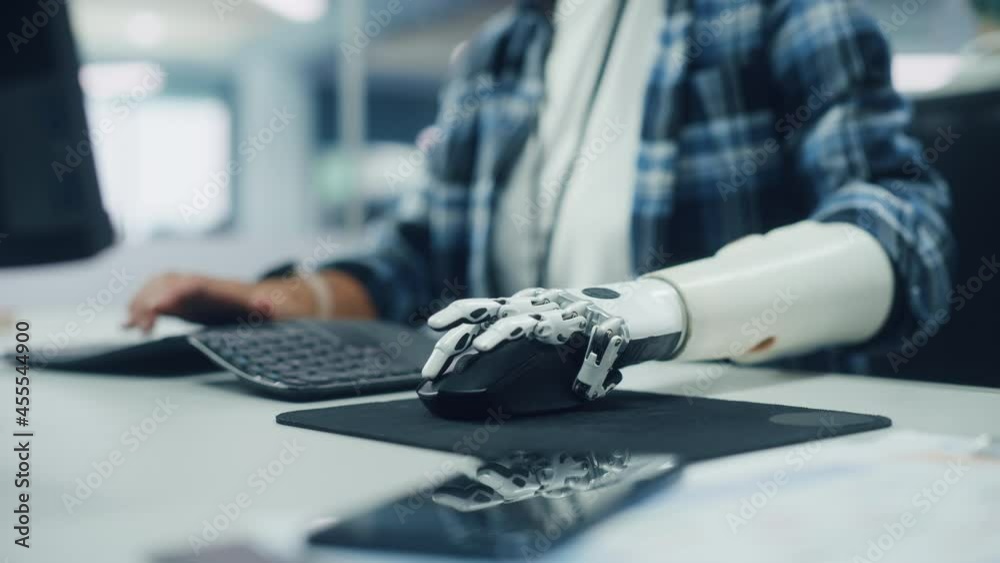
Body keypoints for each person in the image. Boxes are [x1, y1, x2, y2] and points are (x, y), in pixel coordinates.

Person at [129, 0, 954, 399]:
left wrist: (641, 314)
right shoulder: (501, 50)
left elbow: (905, 232)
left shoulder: (777, 14)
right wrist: (284, 302)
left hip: (737, 443)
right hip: (523, 442)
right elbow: (415, 259)